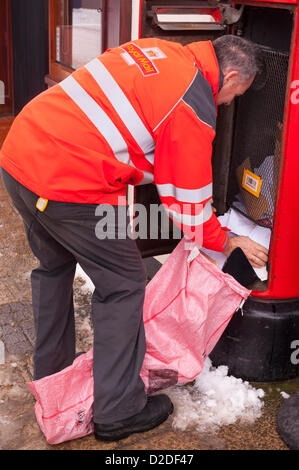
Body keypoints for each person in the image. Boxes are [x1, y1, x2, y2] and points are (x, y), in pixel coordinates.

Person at [0, 34, 268, 442]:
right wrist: (226, 241)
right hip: (69, 183)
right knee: (124, 286)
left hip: (21, 157)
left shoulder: (161, 52)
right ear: (229, 75)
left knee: (53, 268)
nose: (228, 103)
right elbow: (188, 201)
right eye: (235, 94)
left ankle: (54, 378)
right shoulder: (192, 100)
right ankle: (118, 410)